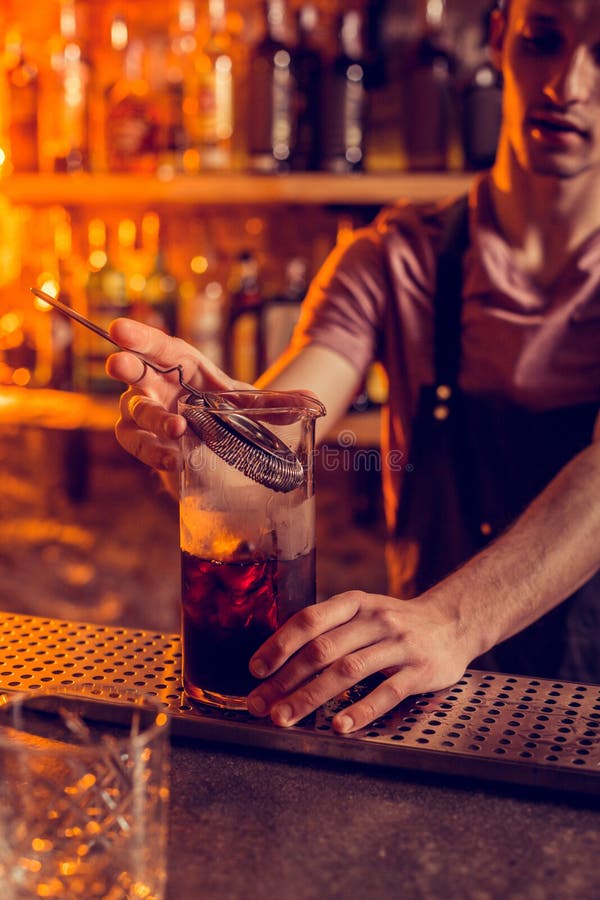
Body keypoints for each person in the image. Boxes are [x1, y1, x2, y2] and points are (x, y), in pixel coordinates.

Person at [107, 0, 600, 734]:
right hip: (429, 707)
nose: (569, 84)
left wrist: (453, 621)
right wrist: (219, 436)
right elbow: (287, 433)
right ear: (498, 38)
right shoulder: (395, 256)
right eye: (543, 40)